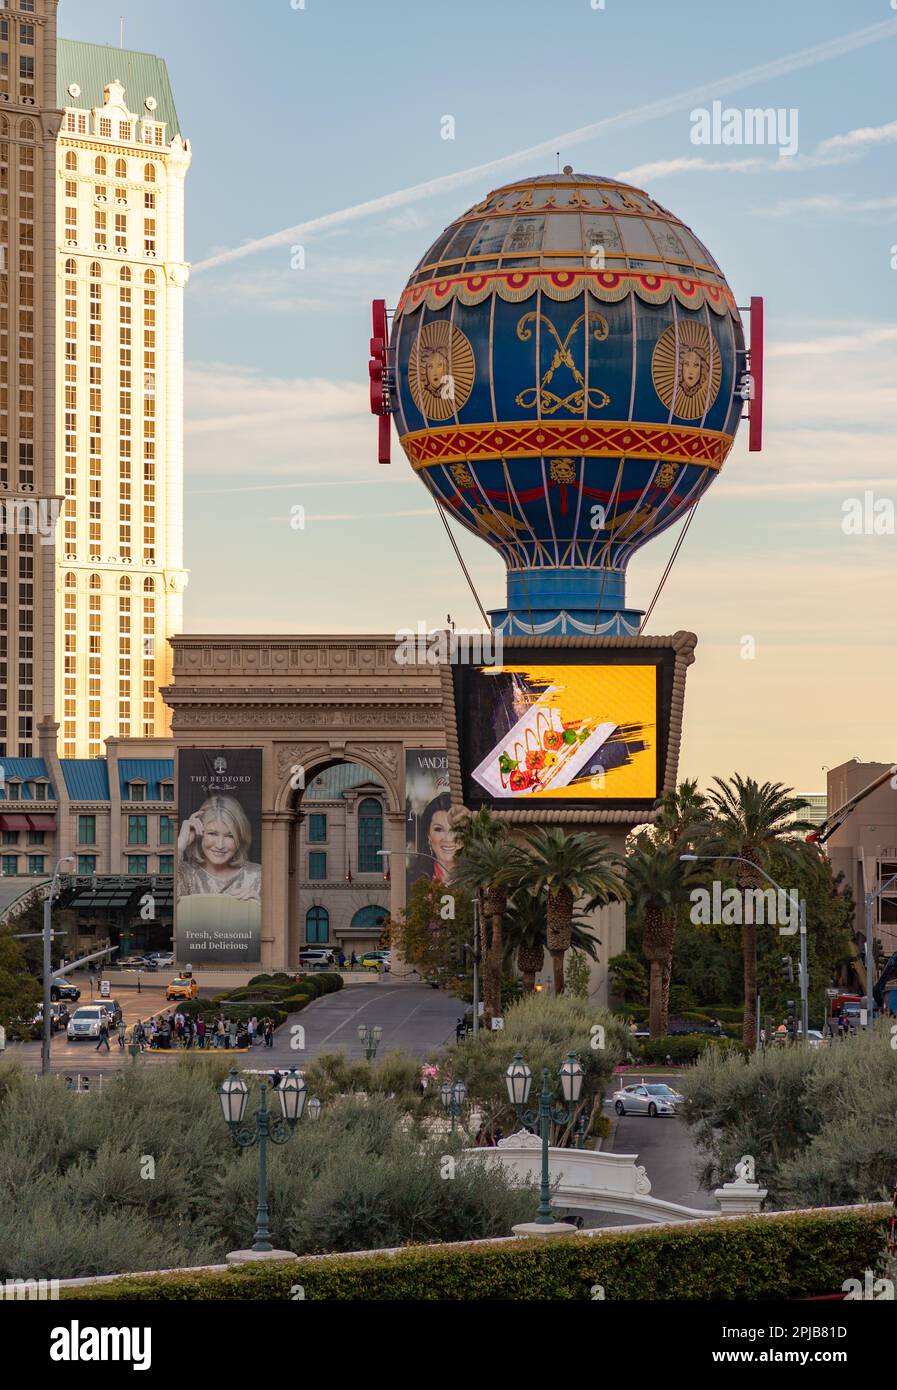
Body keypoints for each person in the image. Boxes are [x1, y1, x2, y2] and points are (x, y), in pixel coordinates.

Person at [176, 794, 262, 901]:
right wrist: (180, 844)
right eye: (212, 834)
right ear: (200, 834)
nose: (219, 845)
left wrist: (260, 907)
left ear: (240, 837)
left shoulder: (258, 876)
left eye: (230, 836)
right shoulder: (184, 873)